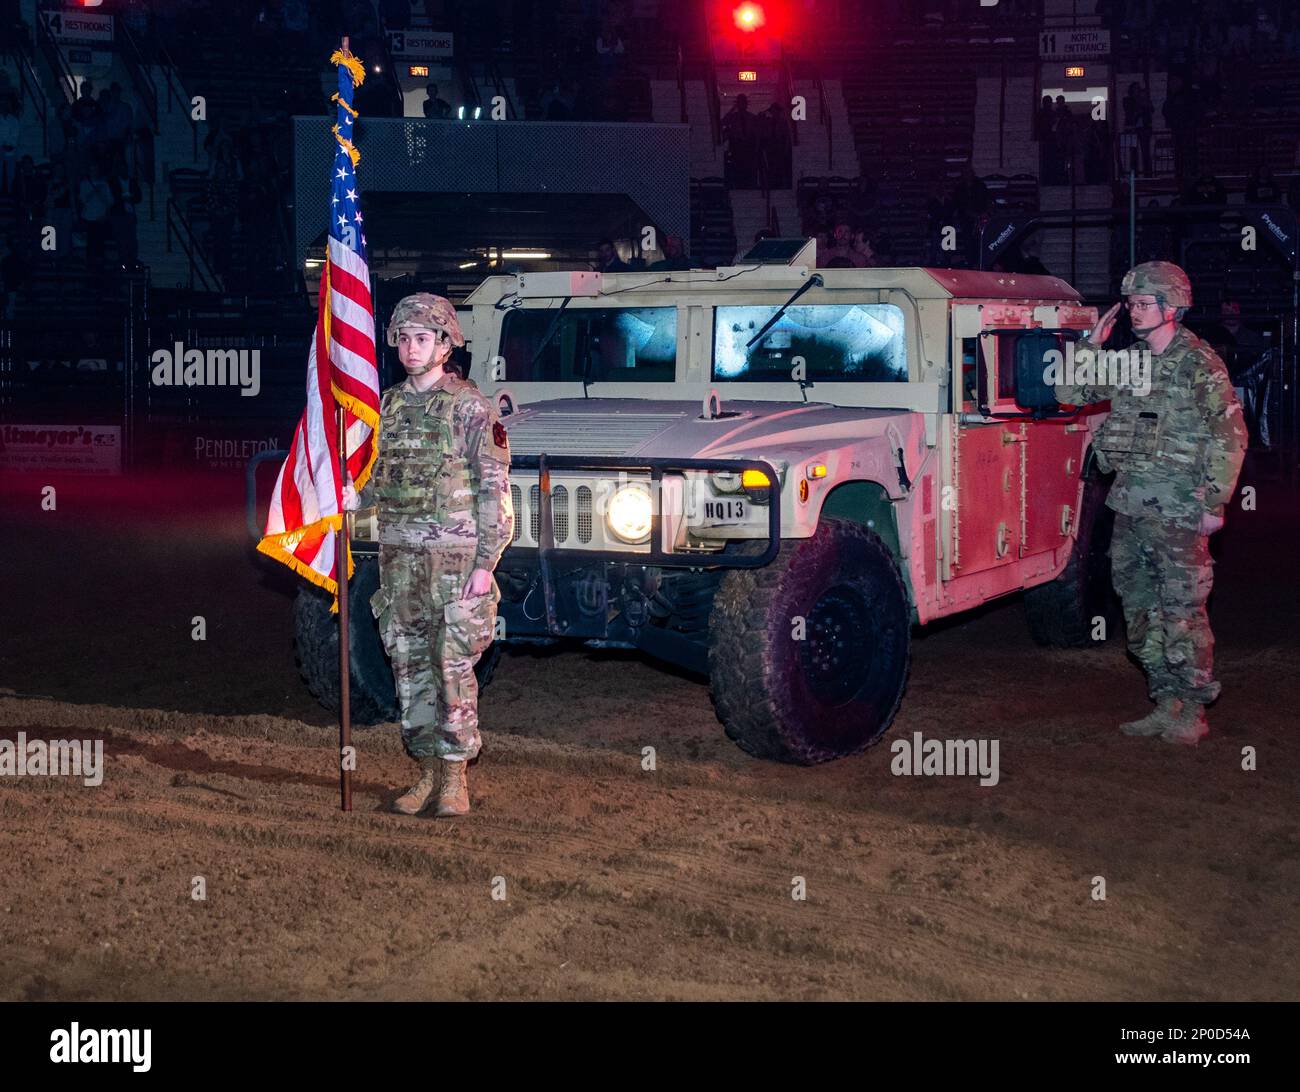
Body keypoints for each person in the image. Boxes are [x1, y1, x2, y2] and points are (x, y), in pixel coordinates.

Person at [1051, 262, 1247, 745]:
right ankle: (1166, 701)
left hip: (1180, 510)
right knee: (1139, 612)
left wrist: (1215, 502)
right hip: (1132, 506)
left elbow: (1232, 433)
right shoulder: (1129, 361)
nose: (1135, 312)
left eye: (1143, 304)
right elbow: (1067, 393)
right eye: (1132, 305)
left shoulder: (1200, 363)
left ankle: (1192, 710)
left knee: (1182, 613)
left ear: (1172, 307)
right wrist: (1092, 346)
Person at [343, 294, 513, 817]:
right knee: (408, 665)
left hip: (456, 563)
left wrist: (486, 564)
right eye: (403, 338)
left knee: (451, 667)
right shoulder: (388, 406)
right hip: (399, 561)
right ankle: (424, 772)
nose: (411, 348)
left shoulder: (470, 408)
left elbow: (495, 491)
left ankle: (456, 779)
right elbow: (382, 478)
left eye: (423, 338)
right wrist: (355, 498)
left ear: (445, 344)